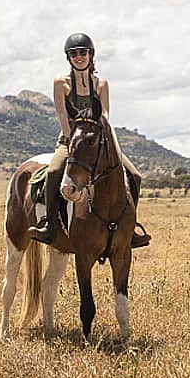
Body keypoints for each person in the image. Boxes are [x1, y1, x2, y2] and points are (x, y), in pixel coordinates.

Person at [27, 33, 151, 249]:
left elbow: (105, 116)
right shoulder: (61, 83)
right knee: (53, 172)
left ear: (91, 55)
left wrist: (103, 142)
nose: (79, 57)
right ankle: (50, 226)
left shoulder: (101, 84)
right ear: (69, 58)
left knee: (135, 175)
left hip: (98, 141)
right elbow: (62, 116)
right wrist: (72, 141)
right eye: (73, 54)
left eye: (83, 52)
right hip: (70, 141)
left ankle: (130, 229)